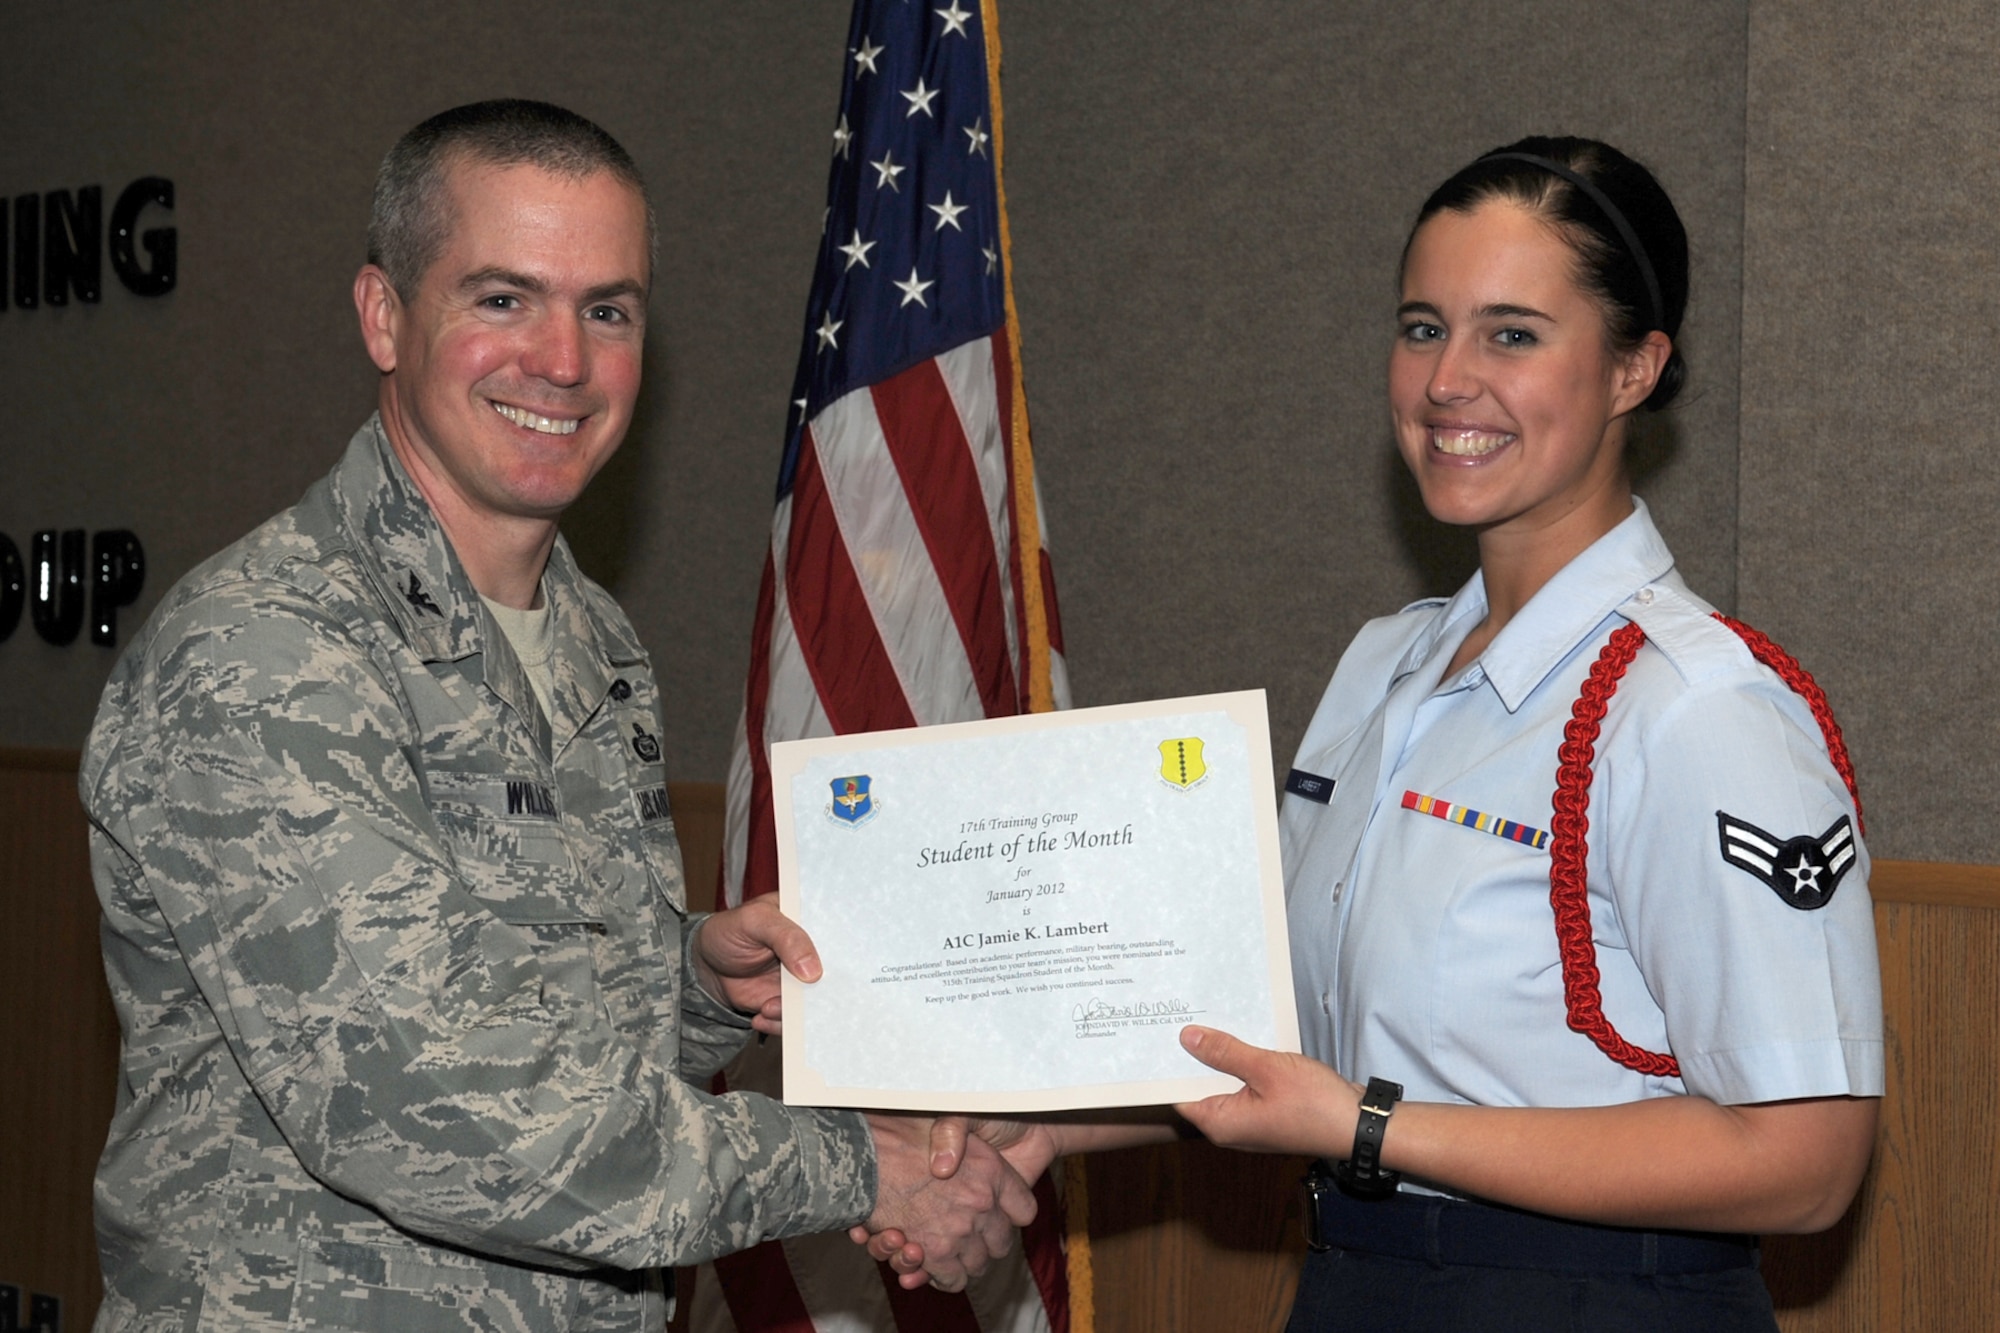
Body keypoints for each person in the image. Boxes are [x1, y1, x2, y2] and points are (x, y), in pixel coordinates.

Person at [868, 136, 1883, 1330]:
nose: (1448, 379)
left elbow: (1805, 1161)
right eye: (1420, 327)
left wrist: (1365, 1126)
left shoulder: (1698, 708)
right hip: (1360, 1278)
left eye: (1511, 333)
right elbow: (1293, 1041)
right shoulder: (1381, 664)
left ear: (1632, 369)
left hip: (1591, 1300)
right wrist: (1040, 1124)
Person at [81, 99, 1033, 1333]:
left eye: (606, 309)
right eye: (500, 298)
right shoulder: (267, 652)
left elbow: (547, 1017)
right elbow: (440, 1111)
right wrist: (865, 1166)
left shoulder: (593, 641)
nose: (563, 361)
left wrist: (693, 982)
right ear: (383, 314)